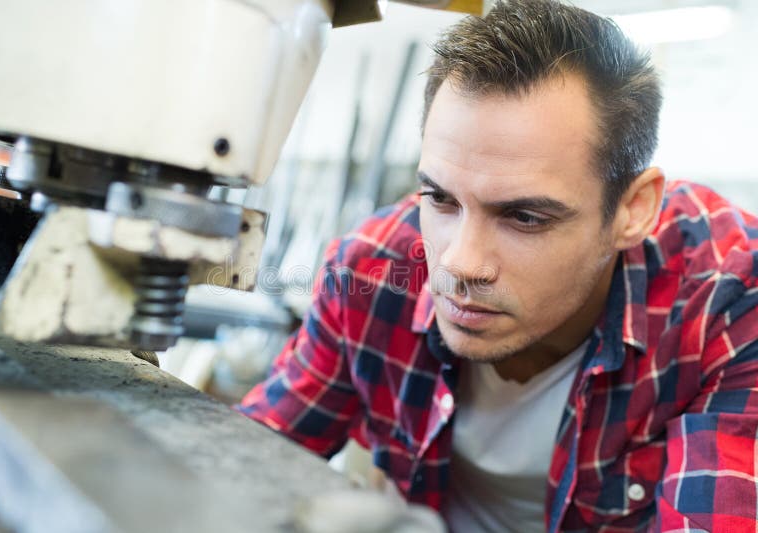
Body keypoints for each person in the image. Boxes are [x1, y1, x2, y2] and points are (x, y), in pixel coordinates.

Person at [237, 0, 758, 530]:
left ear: (632, 210)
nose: (460, 263)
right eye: (440, 199)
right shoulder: (371, 272)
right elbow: (247, 464)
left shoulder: (730, 297)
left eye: (526, 217)